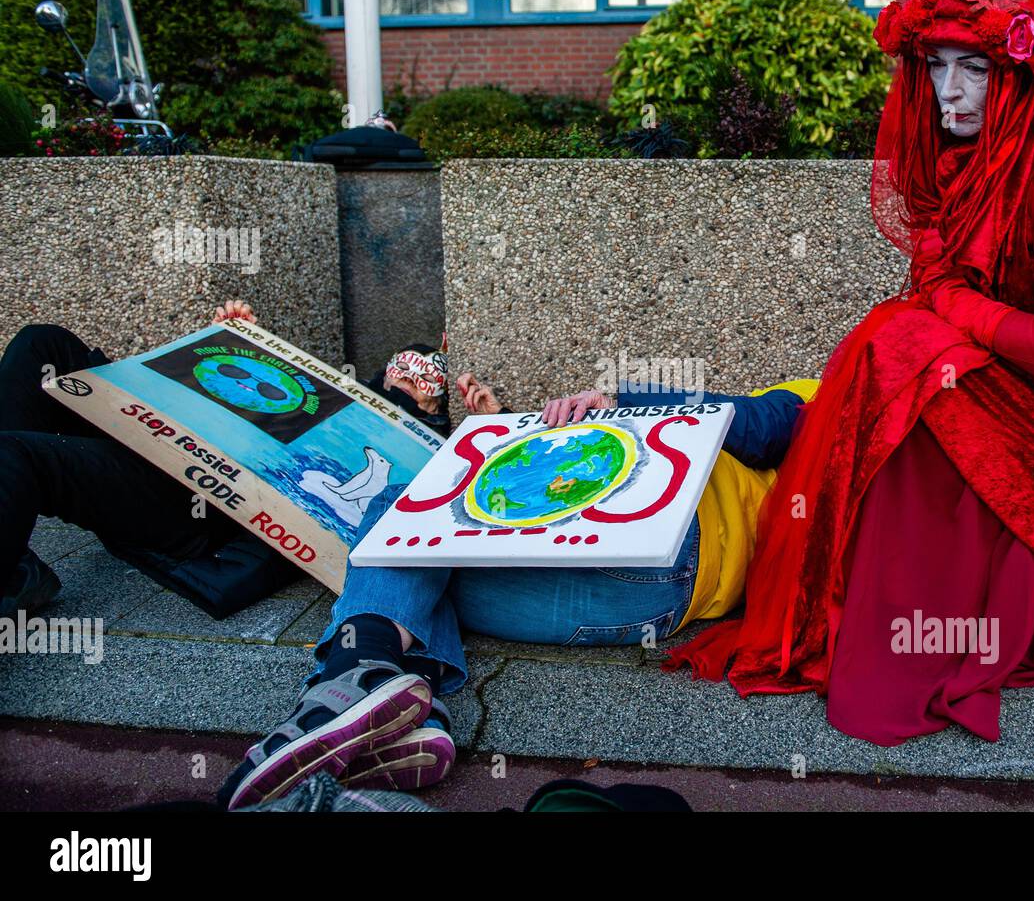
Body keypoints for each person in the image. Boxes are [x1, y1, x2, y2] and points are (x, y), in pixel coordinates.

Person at [662, 0, 1034, 746]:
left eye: (976, 68)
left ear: (1028, 70)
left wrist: (953, 304)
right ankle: (864, 592)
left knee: (906, 349)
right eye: (936, 67)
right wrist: (947, 309)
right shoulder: (991, 144)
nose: (949, 91)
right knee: (896, 347)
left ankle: (900, 606)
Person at [218, 373, 819, 809]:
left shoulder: (847, 380)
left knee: (396, 520)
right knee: (414, 548)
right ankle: (400, 710)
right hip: (657, 579)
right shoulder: (886, 425)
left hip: (668, 541)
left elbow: (766, 424)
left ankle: (350, 679)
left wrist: (623, 402)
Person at [0, 301, 450, 621]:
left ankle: (14, 513)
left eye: (428, 380)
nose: (413, 376)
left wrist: (433, 418)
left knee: (14, 454)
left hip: (187, 492)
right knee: (41, 344)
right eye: (404, 366)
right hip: (155, 432)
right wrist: (241, 342)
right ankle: (14, 548)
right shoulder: (328, 394)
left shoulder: (419, 442)